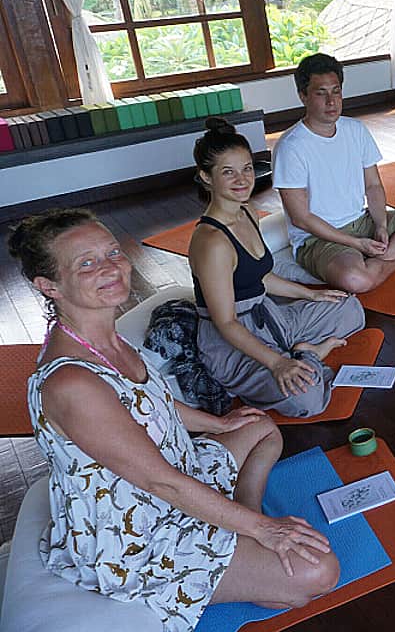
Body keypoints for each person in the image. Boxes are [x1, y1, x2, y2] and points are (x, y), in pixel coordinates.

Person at [10, 209, 339, 632]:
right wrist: (267, 530)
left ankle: (237, 522)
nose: (110, 267)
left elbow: (151, 399)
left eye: (112, 252)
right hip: (138, 527)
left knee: (260, 429)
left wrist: (219, 425)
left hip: (177, 471)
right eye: (86, 263)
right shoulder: (71, 382)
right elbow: (158, 482)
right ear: (48, 285)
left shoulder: (108, 336)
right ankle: (242, 535)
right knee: (319, 573)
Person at [190, 119, 366, 418]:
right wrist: (277, 363)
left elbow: (260, 277)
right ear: (206, 177)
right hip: (234, 341)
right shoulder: (211, 242)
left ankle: (301, 352)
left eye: (247, 168)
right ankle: (308, 354)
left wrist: (311, 296)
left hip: (269, 316)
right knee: (307, 399)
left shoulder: (246, 212)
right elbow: (226, 323)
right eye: (228, 172)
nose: (242, 179)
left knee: (350, 307)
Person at [274, 53, 395, 293]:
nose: (331, 101)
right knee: (356, 280)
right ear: (303, 96)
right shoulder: (290, 147)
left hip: (363, 222)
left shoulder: (355, 129)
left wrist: (380, 226)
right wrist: (355, 243)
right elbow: (301, 218)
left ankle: (377, 258)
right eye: (320, 93)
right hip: (319, 239)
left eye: (336, 91)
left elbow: (373, 186)